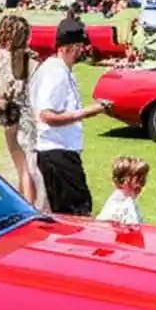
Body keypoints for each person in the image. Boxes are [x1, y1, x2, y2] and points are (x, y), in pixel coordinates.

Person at [29, 18, 110, 215]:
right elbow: (47, 115)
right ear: (71, 47)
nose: (83, 51)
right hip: (57, 153)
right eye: (80, 47)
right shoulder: (55, 73)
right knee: (76, 213)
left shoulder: (61, 70)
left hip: (62, 152)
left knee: (71, 211)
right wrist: (89, 111)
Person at [0, 15, 44, 208]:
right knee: (29, 164)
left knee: (23, 167)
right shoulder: (33, 59)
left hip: (12, 117)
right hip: (31, 116)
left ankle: (27, 207)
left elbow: (1, 96)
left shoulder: (2, 57)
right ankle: (26, 202)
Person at [96, 156, 149, 225]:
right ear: (125, 180)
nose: (142, 182)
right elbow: (134, 230)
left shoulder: (124, 200)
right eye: (139, 178)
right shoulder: (123, 205)